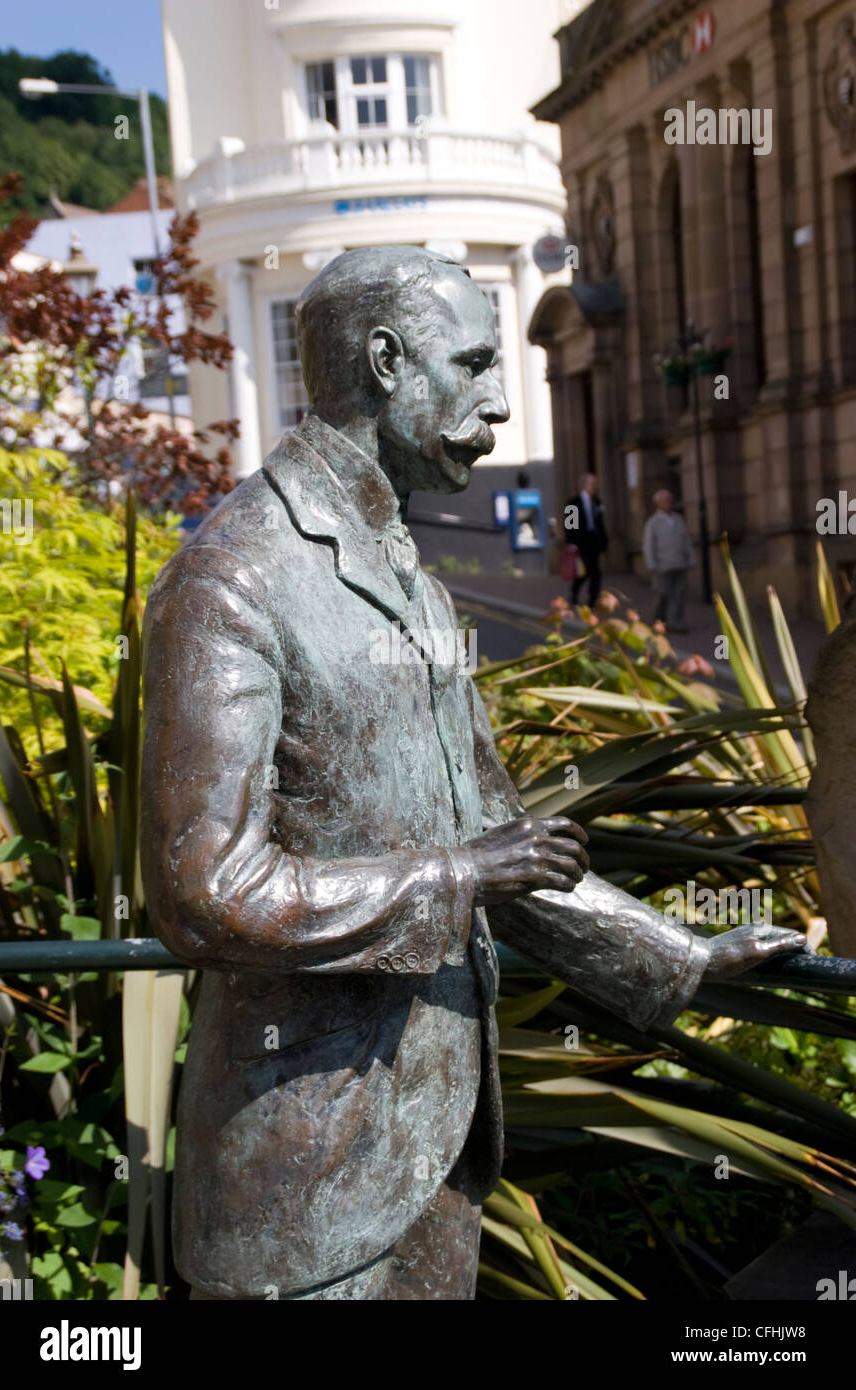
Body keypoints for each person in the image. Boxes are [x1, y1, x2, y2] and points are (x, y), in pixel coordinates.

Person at [140, 246, 804, 1301]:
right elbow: (200, 890)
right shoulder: (230, 578)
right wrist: (454, 877)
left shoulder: (412, 575)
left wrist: (679, 957)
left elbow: (507, 840)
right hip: (302, 1199)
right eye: (473, 364)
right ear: (387, 361)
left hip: (438, 1152)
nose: (500, 403)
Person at [643, 488, 694, 632]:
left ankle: (677, 622)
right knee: (663, 594)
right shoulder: (653, 522)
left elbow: (686, 540)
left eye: (670, 500)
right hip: (662, 565)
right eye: (665, 501)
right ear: (658, 503)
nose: (668, 503)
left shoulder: (678, 519)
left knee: (679, 594)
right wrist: (651, 563)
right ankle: (659, 619)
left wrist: (691, 558)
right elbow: (648, 545)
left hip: (679, 562)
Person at [564, 472, 608, 605]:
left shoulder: (597, 502)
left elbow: (600, 524)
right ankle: (575, 590)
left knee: (596, 573)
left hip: (594, 541)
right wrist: (571, 542)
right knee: (584, 571)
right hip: (580, 542)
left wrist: (604, 541)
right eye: (592, 484)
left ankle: (593, 600)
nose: (595, 487)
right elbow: (569, 525)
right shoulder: (573, 502)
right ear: (584, 485)